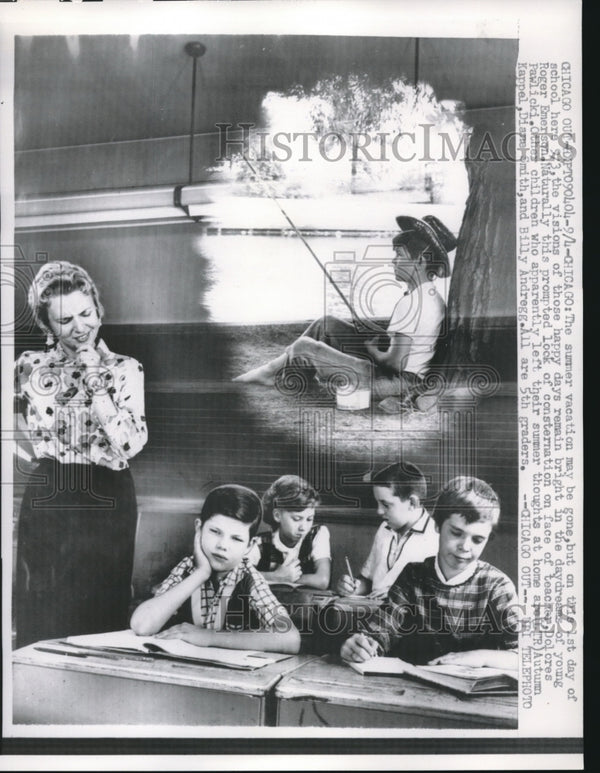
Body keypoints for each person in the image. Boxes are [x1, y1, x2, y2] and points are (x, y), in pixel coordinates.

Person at [14, 261, 148, 647]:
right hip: (49, 488)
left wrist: (95, 381)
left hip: (107, 492)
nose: (80, 327)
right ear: (47, 326)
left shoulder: (125, 369)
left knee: (99, 610)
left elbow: (130, 444)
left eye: (86, 313)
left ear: (98, 308)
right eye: (64, 320)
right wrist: (25, 453)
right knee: (41, 602)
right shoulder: (28, 366)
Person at [233, 215, 457, 413]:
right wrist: (379, 342)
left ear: (421, 260)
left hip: (395, 382)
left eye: (399, 255)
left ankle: (272, 373)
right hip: (401, 376)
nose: (393, 262)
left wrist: (373, 351)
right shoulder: (427, 295)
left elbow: (396, 363)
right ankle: (280, 373)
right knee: (326, 324)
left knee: (304, 346)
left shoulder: (414, 303)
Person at [340, 476, 519, 670]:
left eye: (477, 540)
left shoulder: (497, 587)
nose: (465, 547)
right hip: (416, 693)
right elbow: (380, 632)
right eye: (456, 533)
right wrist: (360, 647)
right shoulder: (412, 577)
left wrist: (481, 657)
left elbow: (530, 656)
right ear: (437, 526)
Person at [130, 484, 301, 654]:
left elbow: (291, 639)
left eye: (236, 539)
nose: (222, 545)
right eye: (215, 531)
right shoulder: (187, 569)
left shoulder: (249, 578)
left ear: (249, 545)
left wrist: (209, 636)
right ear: (199, 528)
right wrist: (200, 573)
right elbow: (141, 625)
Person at [336, 461, 438, 600]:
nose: (379, 511)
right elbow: (369, 580)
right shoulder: (384, 528)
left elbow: (435, 596)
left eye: (385, 504)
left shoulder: (435, 537)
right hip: (374, 613)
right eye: (377, 503)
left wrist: (398, 594)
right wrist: (353, 587)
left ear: (412, 503)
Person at [250, 475, 331, 590]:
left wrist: (288, 577)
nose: (304, 527)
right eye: (297, 519)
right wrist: (275, 576)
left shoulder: (318, 534)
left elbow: (322, 580)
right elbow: (238, 576)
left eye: (309, 519)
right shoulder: (259, 544)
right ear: (277, 515)